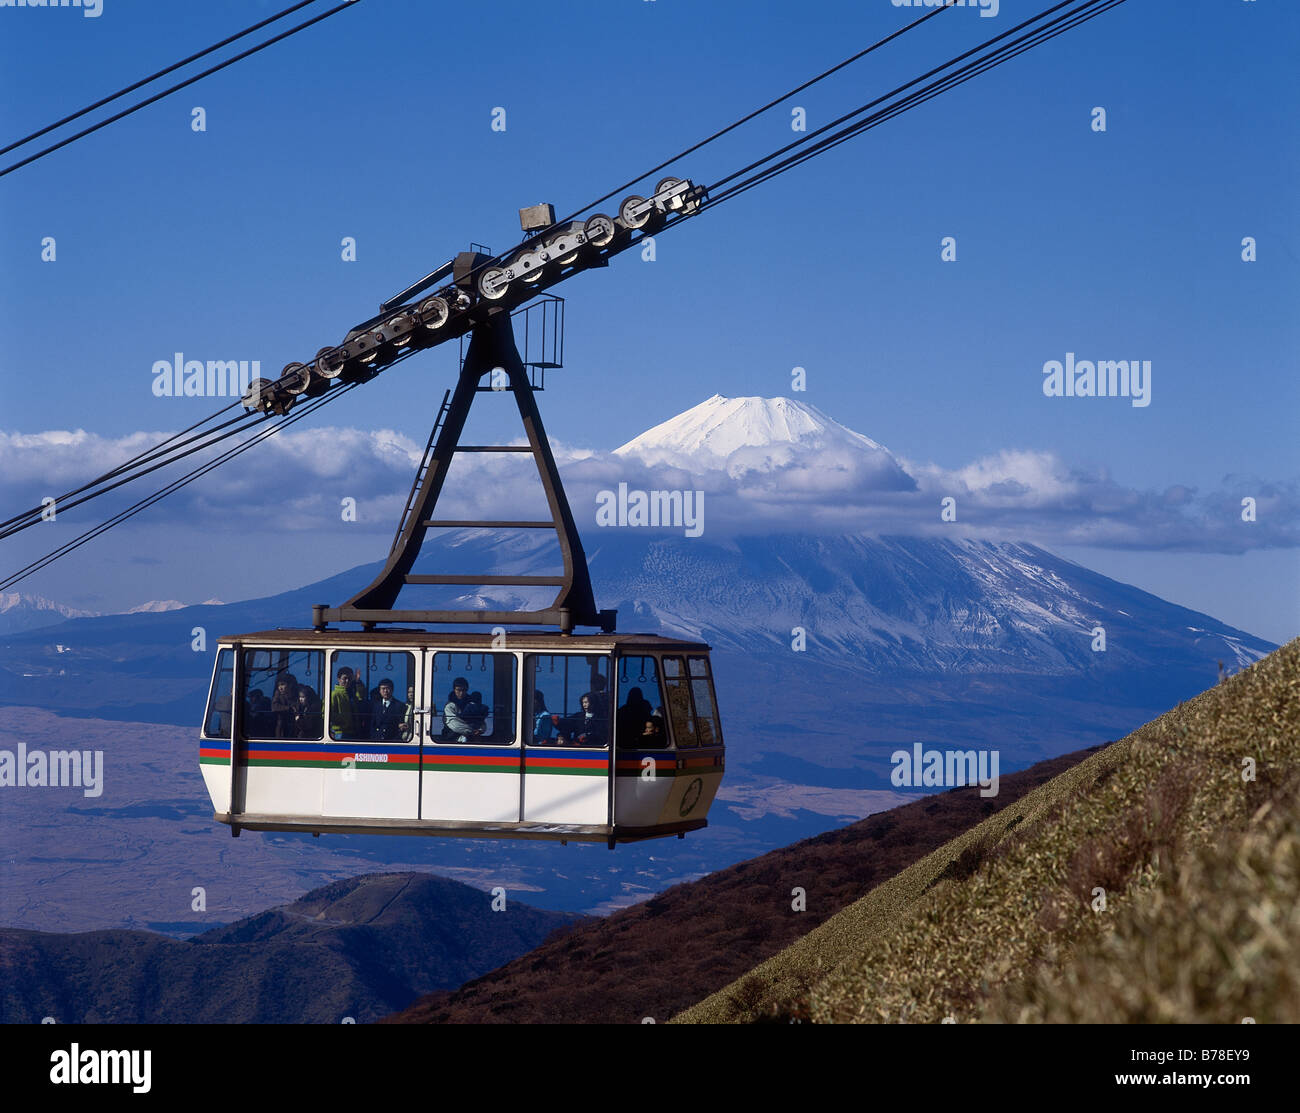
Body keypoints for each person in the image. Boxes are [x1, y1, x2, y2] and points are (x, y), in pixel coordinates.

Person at [442, 676, 481, 742]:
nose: (461, 693)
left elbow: (481, 720)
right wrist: (472, 731)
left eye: (464, 690)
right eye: (458, 690)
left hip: (471, 737)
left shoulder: (472, 704)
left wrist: (480, 730)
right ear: (454, 690)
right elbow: (453, 724)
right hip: (451, 737)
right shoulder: (450, 706)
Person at [330, 667, 356, 740]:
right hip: (340, 733)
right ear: (338, 679)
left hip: (353, 732)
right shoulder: (334, 695)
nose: (347, 681)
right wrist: (344, 721)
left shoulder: (352, 695)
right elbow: (326, 714)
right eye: (345, 678)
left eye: (350, 679)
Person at [270, 674, 298, 738]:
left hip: (295, 726)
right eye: (278, 685)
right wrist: (288, 708)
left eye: (282, 684)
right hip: (282, 727)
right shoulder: (278, 695)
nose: (280, 688)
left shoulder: (297, 695)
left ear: (290, 685)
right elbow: (274, 706)